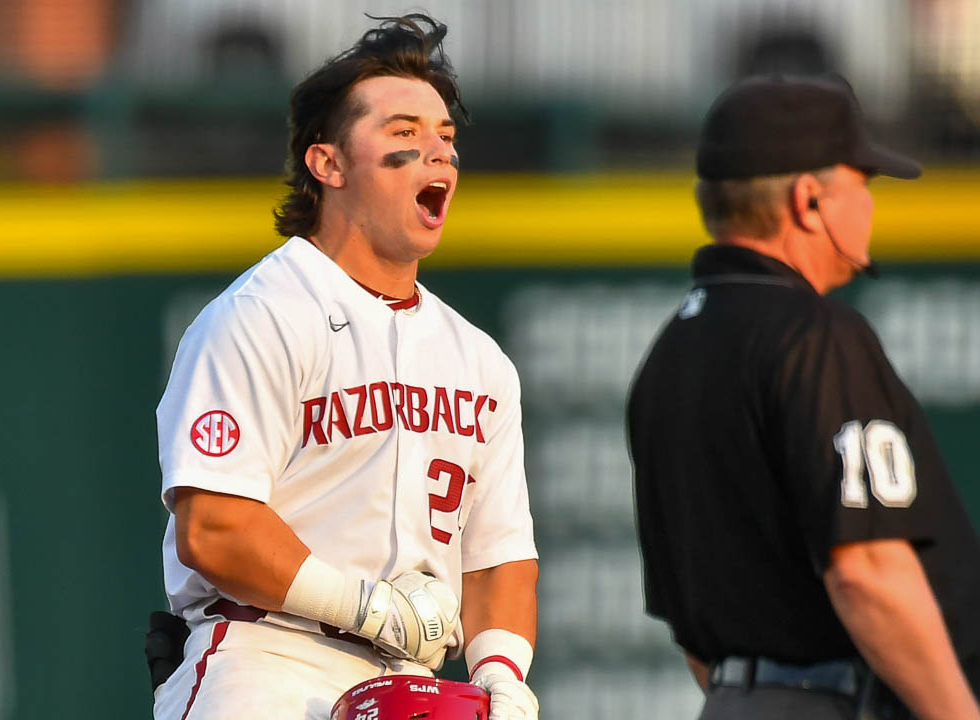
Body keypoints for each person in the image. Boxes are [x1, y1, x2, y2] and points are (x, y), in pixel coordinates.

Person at [152, 14, 539, 720]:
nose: (438, 154)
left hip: (414, 685)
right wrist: (365, 607)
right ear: (327, 164)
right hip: (265, 661)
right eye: (404, 135)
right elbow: (212, 525)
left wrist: (503, 677)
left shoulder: (480, 360)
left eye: (446, 139)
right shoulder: (260, 314)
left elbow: (497, 557)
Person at [627, 73, 980, 720]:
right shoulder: (816, 336)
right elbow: (866, 569)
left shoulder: (668, 353)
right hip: (836, 701)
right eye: (863, 185)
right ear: (808, 199)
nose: (871, 205)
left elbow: (692, 629)